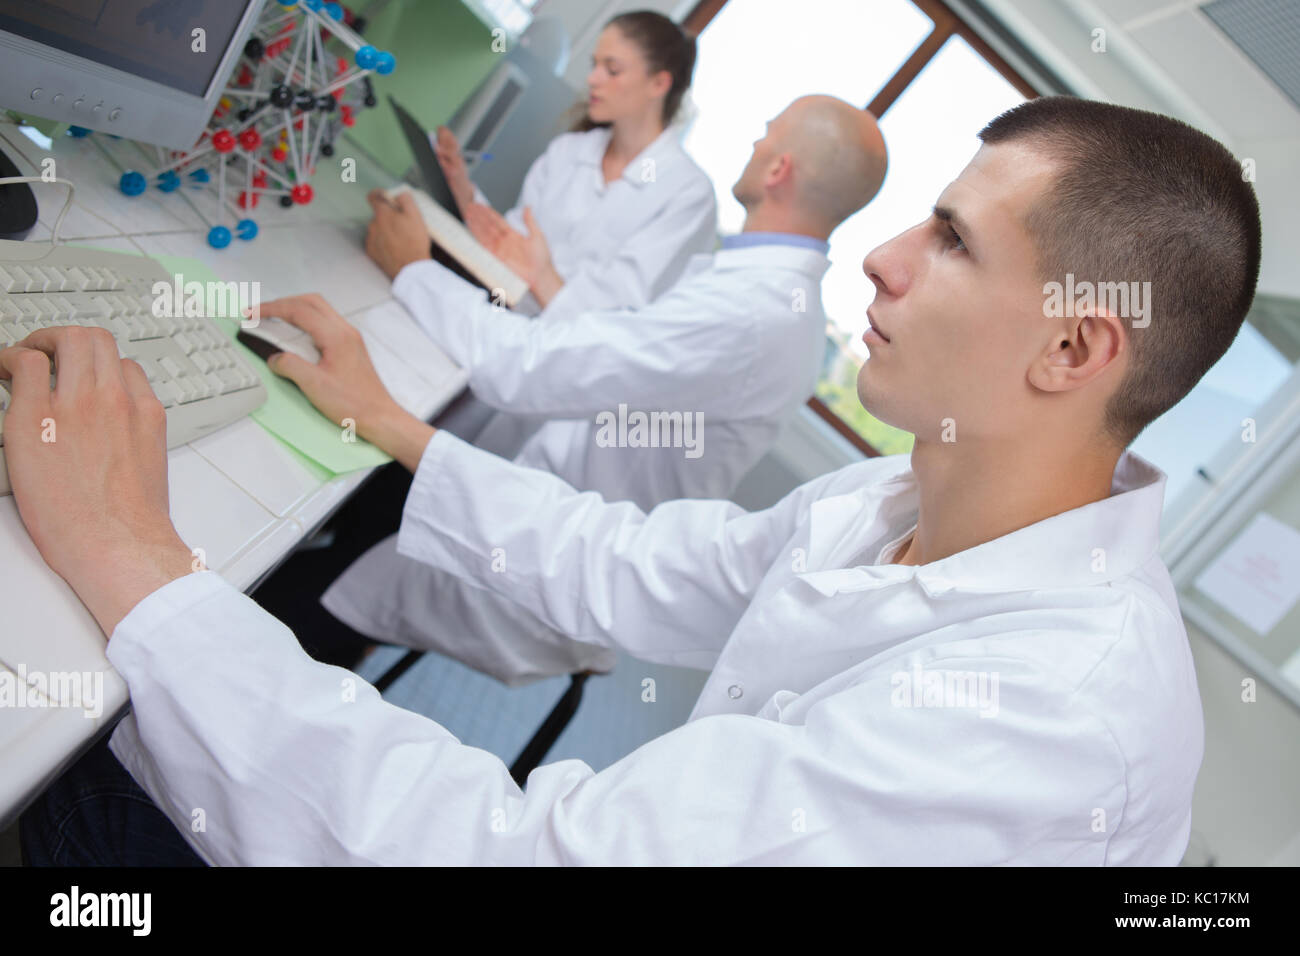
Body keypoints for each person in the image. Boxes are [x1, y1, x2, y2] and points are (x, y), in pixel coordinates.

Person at [9, 96, 1259, 865]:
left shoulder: (1049, 721)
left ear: (1074, 346)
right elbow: (632, 563)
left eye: (949, 240)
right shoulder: (887, 502)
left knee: (91, 786)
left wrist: (134, 556)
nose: (878, 260)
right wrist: (395, 421)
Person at [320, 95, 888, 684]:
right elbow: (612, 351)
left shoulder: (751, 312)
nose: (754, 143)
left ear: (778, 170)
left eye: (767, 133)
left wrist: (414, 269)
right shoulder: (761, 294)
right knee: (380, 496)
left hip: (560, 558)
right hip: (556, 503)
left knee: (306, 589)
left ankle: (326, 641)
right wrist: (540, 273)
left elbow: (529, 369)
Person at [365, 9, 718, 321]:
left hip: (556, 359)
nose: (593, 79)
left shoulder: (686, 193)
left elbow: (617, 323)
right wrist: (461, 189)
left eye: (612, 70)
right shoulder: (569, 151)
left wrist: (541, 274)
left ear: (659, 83)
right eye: (594, 65)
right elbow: (514, 244)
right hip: (496, 314)